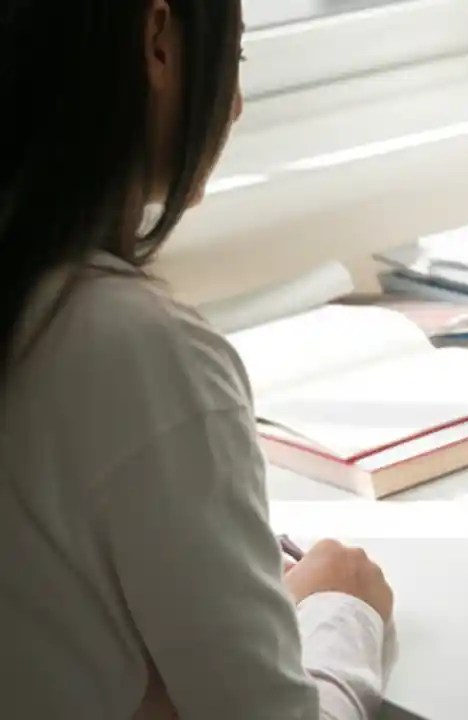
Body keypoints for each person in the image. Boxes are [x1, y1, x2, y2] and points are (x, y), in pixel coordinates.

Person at [0, 3, 393, 718]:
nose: (234, 104)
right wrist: (340, 610)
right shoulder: (135, 351)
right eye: (232, 59)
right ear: (158, 42)